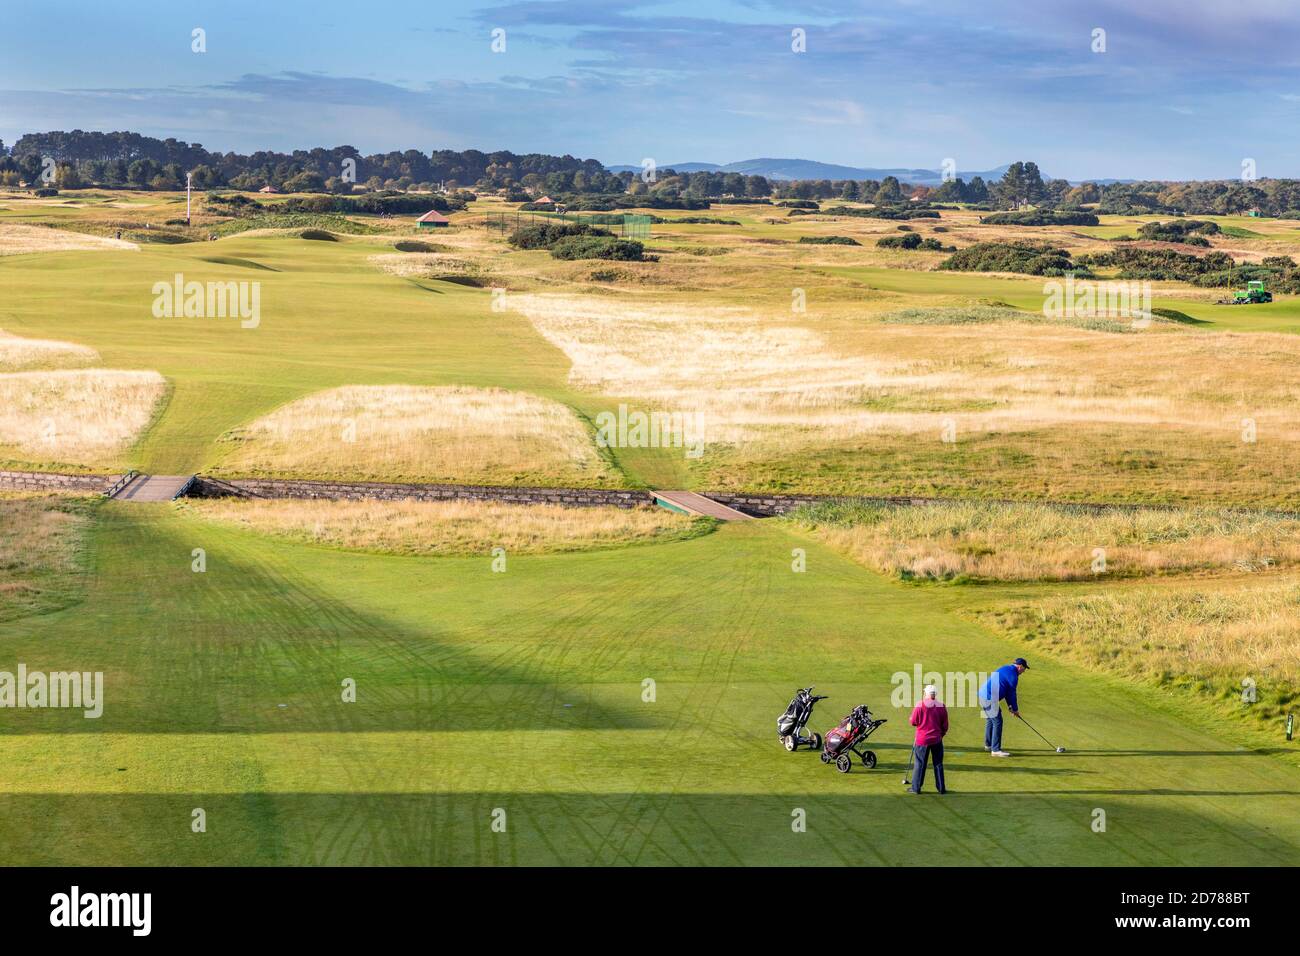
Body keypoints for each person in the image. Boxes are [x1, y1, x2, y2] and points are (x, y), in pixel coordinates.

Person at [979, 657, 1028, 757]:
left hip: (983, 695)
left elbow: (1006, 692)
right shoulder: (1013, 676)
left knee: (990, 720)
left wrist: (1011, 708)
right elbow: (1011, 694)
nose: (1024, 671)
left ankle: (988, 745)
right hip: (989, 698)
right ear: (1020, 666)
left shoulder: (1005, 668)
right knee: (997, 722)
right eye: (1024, 669)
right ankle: (995, 750)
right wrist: (1015, 709)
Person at [908, 684, 949, 794]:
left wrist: (912, 719)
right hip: (936, 740)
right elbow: (945, 726)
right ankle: (941, 788)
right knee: (938, 763)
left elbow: (913, 722)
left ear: (926, 693)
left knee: (920, 763)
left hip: (922, 740)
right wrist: (941, 735)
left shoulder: (920, 705)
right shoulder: (941, 706)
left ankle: (916, 788)